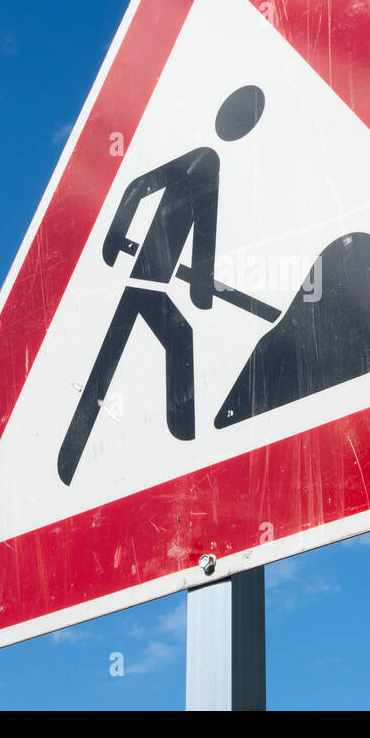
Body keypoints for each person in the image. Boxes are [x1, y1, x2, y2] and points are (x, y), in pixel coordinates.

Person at [57, 85, 265, 485]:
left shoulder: (211, 164)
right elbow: (139, 187)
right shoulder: (204, 159)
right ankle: (172, 449)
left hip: (154, 284)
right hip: (144, 279)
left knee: (134, 351)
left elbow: (205, 230)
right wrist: (113, 239)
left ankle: (176, 448)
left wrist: (200, 287)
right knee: (120, 358)